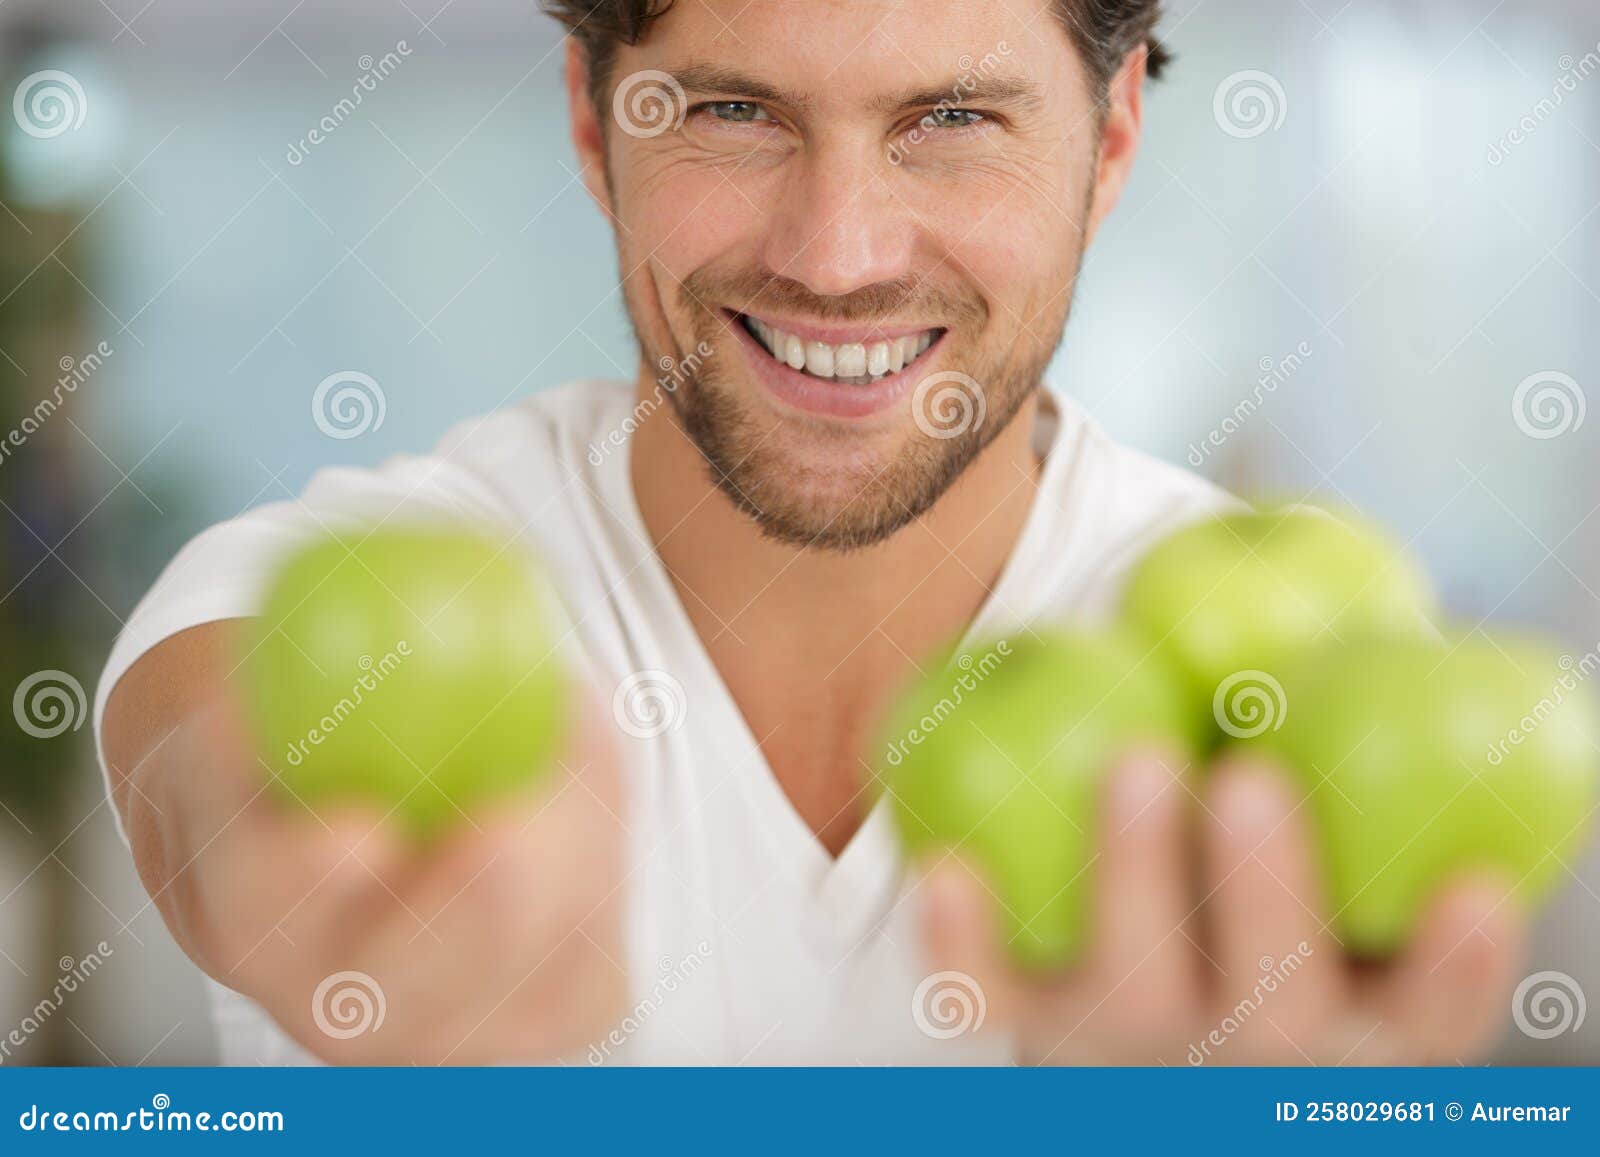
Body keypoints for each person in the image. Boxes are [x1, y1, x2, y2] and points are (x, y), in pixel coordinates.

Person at [95, 0, 1522, 1066]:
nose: (838, 255)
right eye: (734, 112)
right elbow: (205, 777)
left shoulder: (1286, 701)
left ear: (1111, 143)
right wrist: (297, 890)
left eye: (952, 122)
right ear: (594, 126)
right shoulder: (324, 591)